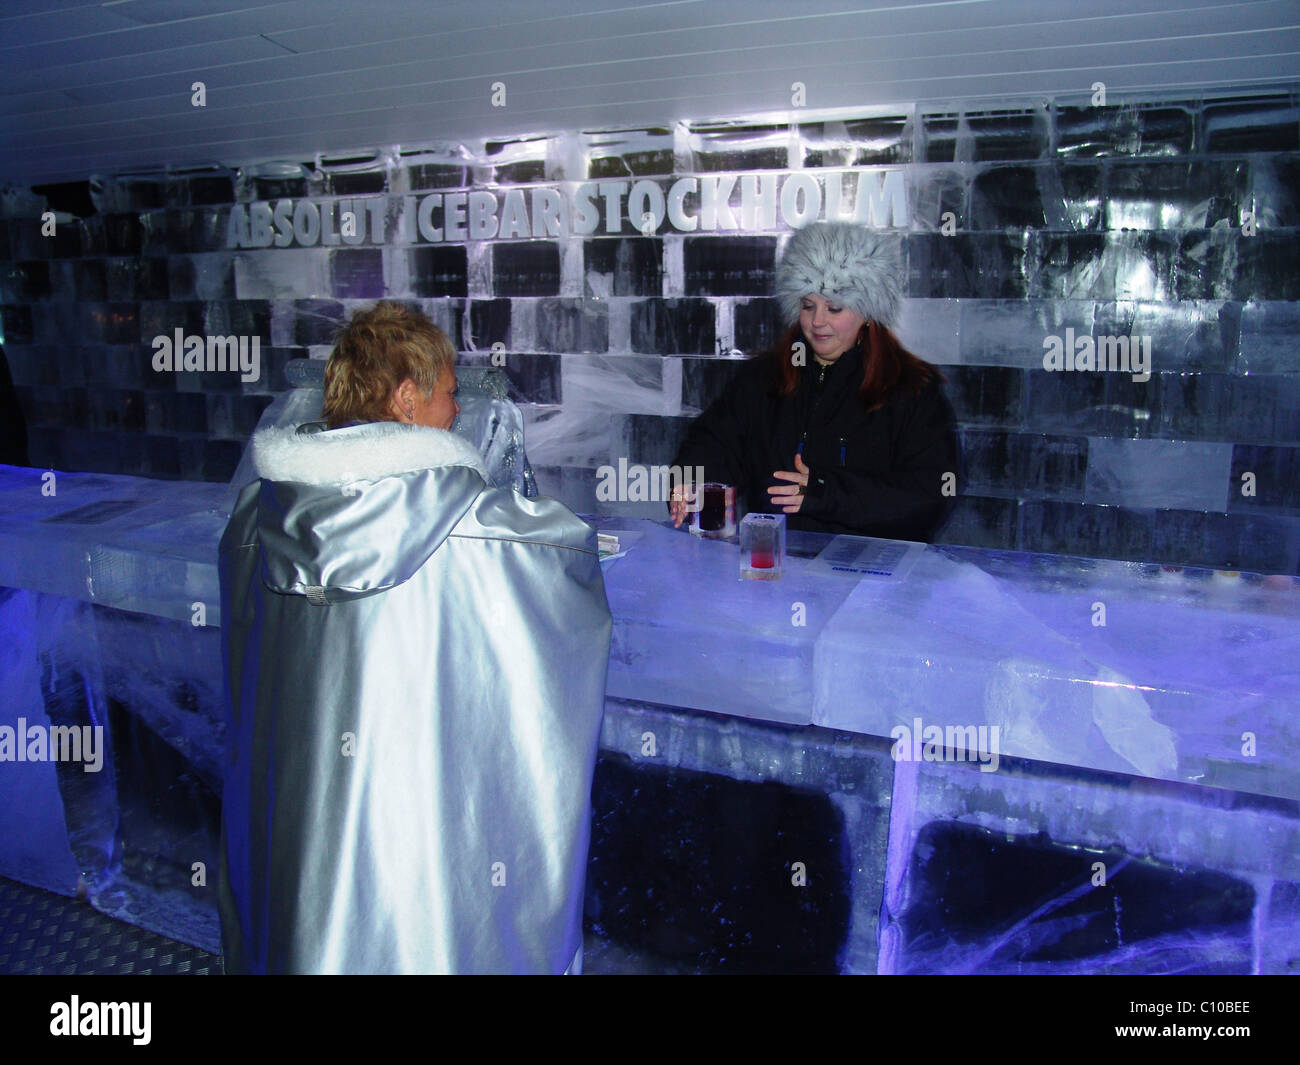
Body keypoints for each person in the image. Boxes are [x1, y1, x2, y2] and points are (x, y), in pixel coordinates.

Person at [217, 302, 611, 974]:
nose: (457, 413)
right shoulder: (468, 520)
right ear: (406, 398)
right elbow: (563, 566)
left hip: (299, 829)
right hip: (413, 828)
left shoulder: (261, 515)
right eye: (450, 393)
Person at [671, 223, 958, 542]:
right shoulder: (761, 379)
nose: (817, 321)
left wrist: (823, 491)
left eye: (834, 307)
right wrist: (692, 479)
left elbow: (930, 496)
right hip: (773, 567)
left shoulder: (912, 389)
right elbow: (714, 442)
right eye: (808, 306)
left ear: (868, 313)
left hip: (871, 575)